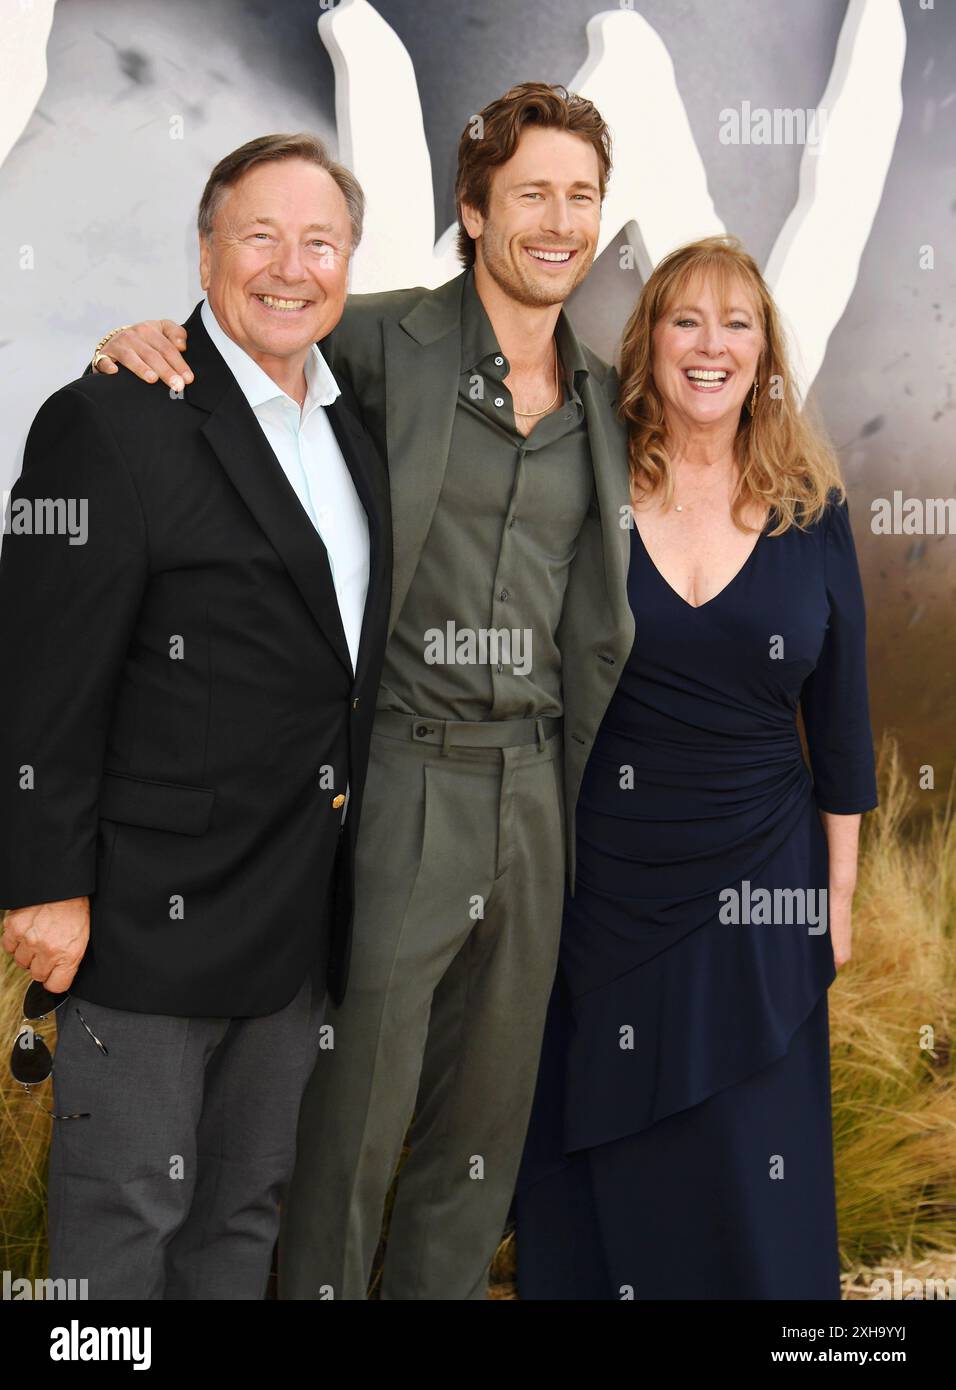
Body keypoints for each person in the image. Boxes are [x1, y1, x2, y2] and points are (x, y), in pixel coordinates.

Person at [83, 83, 634, 1300]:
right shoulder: (377, 340)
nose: (557, 221)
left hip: (535, 791)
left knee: (478, 1134)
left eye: (580, 197)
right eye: (531, 193)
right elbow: (235, 364)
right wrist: (135, 346)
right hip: (401, 779)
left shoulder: (604, 396)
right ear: (474, 210)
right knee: (349, 1125)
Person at [0, 133, 391, 1299]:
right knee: (123, 1230)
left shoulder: (350, 424)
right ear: (207, 249)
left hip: (294, 925)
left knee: (239, 1224)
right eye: (258, 235)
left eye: (318, 241)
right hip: (137, 924)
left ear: (348, 261)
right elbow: (35, 672)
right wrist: (40, 884)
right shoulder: (111, 416)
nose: (289, 265)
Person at [514, 235, 879, 1300]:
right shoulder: (583, 482)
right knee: (607, 1160)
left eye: (735, 322)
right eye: (685, 320)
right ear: (648, 343)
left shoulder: (811, 506)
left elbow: (842, 720)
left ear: (763, 350)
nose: (709, 345)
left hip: (765, 892)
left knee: (750, 1165)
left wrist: (838, 895)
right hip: (602, 886)